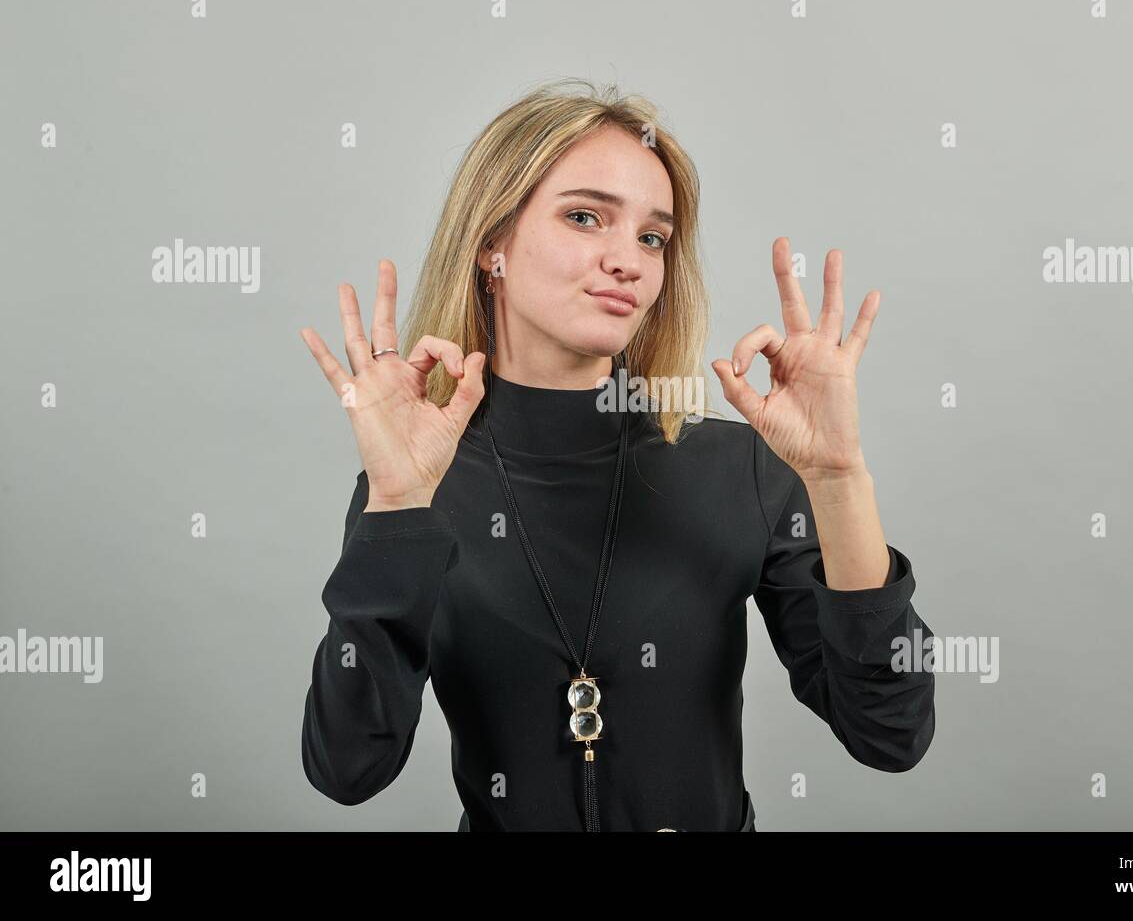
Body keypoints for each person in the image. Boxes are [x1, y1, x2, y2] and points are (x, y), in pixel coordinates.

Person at [297, 78, 936, 831]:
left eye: (651, 237)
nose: (627, 261)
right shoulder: (414, 477)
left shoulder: (741, 468)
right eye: (584, 217)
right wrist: (399, 507)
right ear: (490, 245)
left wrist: (838, 480)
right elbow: (347, 769)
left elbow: (890, 735)